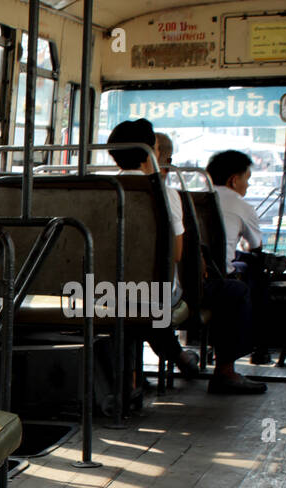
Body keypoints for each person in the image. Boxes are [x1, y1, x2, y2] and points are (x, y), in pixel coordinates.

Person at [107, 119, 264, 395]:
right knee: (235, 291)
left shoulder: (102, 187)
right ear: (149, 154)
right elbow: (174, 254)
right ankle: (225, 372)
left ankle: (143, 371)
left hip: (101, 290)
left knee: (135, 297)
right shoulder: (165, 194)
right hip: (153, 292)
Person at [208, 150, 272, 364]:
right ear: (234, 180)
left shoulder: (191, 197)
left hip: (182, 279)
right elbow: (256, 247)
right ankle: (254, 351)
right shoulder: (241, 205)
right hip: (215, 282)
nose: (248, 185)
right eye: (247, 179)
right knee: (255, 270)